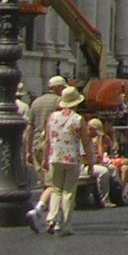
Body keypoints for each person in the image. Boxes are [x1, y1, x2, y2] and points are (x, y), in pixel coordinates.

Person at [44, 86, 94, 235]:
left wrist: (45, 159)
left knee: (56, 189)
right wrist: (90, 161)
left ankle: (51, 219)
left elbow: (47, 140)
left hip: (54, 157)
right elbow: (86, 142)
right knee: (68, 192)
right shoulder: (78, 119)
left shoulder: (52, 117)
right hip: (71, 158)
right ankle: (65, 225)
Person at [24, 75, 67, 231]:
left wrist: (28, 149)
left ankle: (52, 217)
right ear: (58, 88)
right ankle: (39, 211)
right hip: (52, 146)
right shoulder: (59, 102)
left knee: (46, 184)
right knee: (54, 185)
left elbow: (29, 128)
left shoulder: (36, 102)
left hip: (36, 145)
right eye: (62, 88)